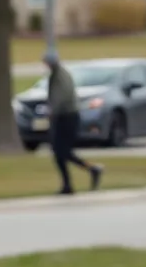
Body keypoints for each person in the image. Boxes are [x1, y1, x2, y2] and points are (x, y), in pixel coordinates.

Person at [43, 51, 102, 194]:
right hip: (63, 116)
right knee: (60, 153)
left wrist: (52, 111)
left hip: (67, 117)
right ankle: (71, 182)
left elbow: (62, 97)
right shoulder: (56, 75)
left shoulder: (61, 76)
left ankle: (89, 171)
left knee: (61, 151)